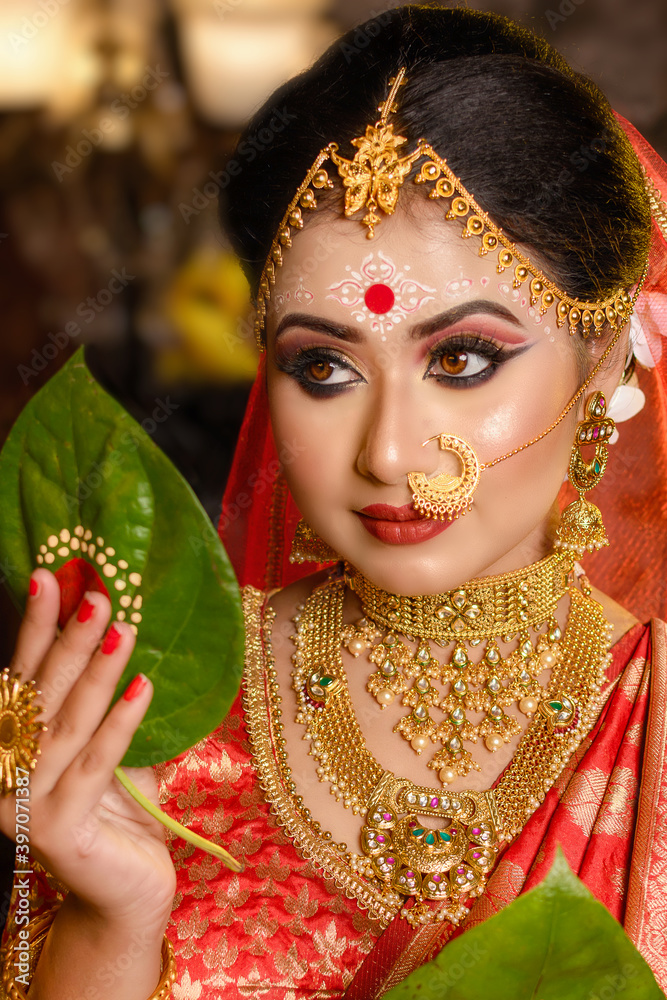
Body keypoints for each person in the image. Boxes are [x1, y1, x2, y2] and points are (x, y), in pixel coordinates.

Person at [2, 6, 667, 998]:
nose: (388, 451)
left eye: (463, 358)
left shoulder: (647, 732)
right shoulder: (158, 715)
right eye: (322, 366)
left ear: (607, 351)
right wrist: (117, 912)